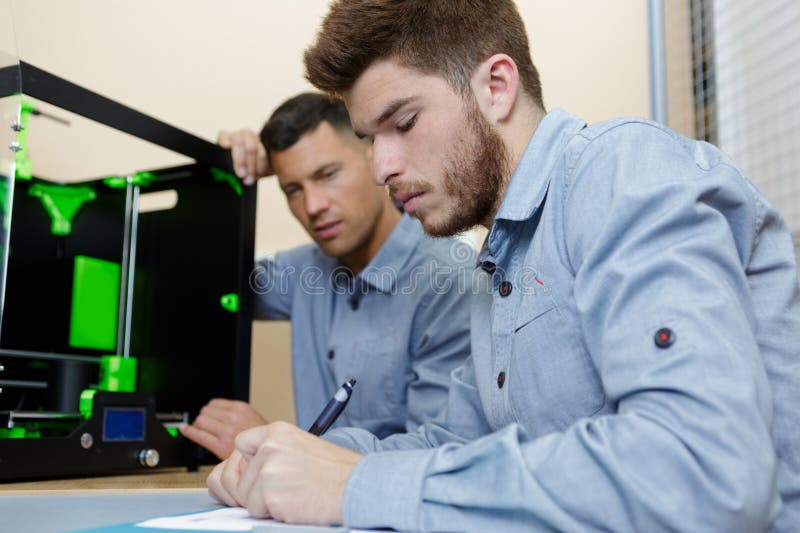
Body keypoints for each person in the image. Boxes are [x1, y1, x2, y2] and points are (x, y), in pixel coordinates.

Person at [206, 1, 800, 531]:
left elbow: (702, 469)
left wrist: (351, 485)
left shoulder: (624, 173)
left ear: (496, 87)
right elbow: (454, 445)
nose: (382, 166)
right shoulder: (500, 262)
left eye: (403, 123)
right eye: (369, 139)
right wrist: (292, 457)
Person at [180, 93, 474, 460]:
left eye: (327, 174)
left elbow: (435, 458)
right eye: (293, 189)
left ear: (374, 157)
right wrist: (227, 170)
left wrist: (272, 446)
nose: (313, 206)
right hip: (305, 512)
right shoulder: (303, 271)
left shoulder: (447, 281)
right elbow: (196, 278)